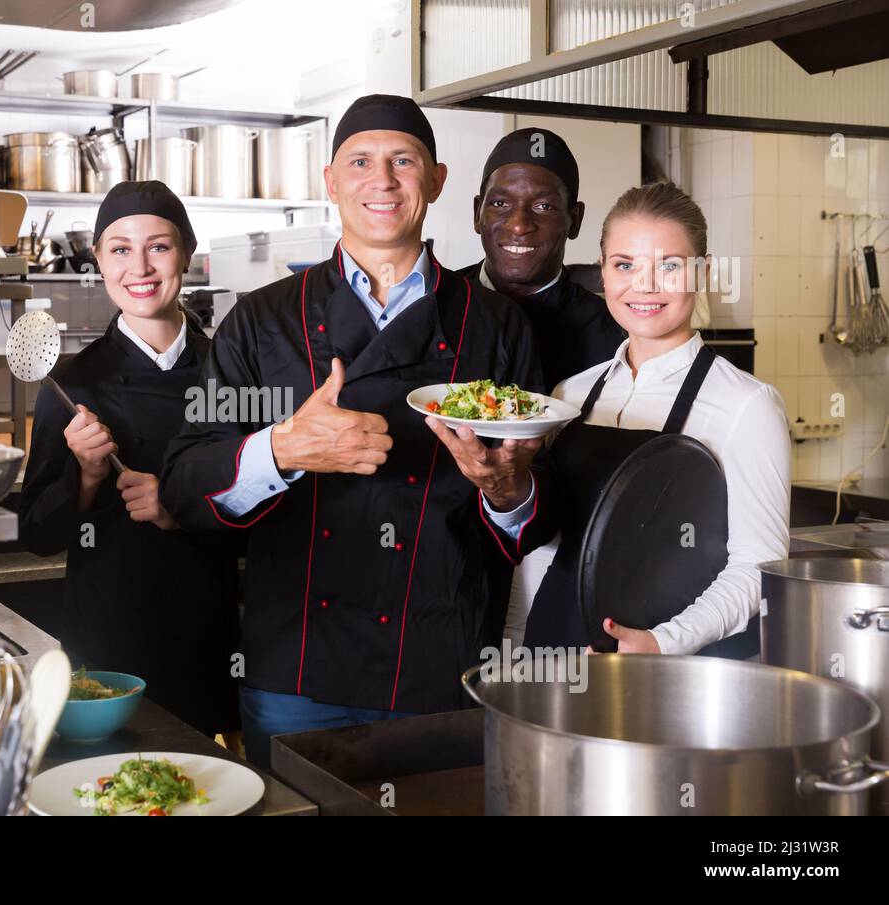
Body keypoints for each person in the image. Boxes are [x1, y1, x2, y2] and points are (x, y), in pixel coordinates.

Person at [160, 94, 558, 770]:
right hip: (296, 668)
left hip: (441, 665)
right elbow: (183, 485)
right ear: (331, 182)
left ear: (436, 181)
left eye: (405, 162)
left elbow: (536, 518)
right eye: (362, 162)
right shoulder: (262, 322)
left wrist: (508, 488)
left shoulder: (495, 326)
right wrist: (282, 448)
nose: (383, 180)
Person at [516, 181, 789, 655]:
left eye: (670, 265)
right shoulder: (570, 394)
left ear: (701, 272)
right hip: (557, 657)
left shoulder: (747, 404)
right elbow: (545, 549)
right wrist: (517, 641)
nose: (644, 285)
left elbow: (758, 567)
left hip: (673, 673)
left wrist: (662, 644)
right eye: (625, 265)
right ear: (602, 272)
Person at [14, 180, 239, 737]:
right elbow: (38, 533)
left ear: (186, 252)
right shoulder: (69, 383)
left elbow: (275, 517)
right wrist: (86, 477)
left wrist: (183, 507)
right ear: (99, 260)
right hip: (108, 644)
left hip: (215, 637)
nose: (139, 266)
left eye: (158, 247)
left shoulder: (233, 373)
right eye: (120, 249)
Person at [456, 127, 626, 391]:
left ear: (575, 220)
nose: (518, 225)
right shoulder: (434, 305)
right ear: (478, 212)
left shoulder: (611, 334)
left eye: (544, 206)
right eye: (501, 204)